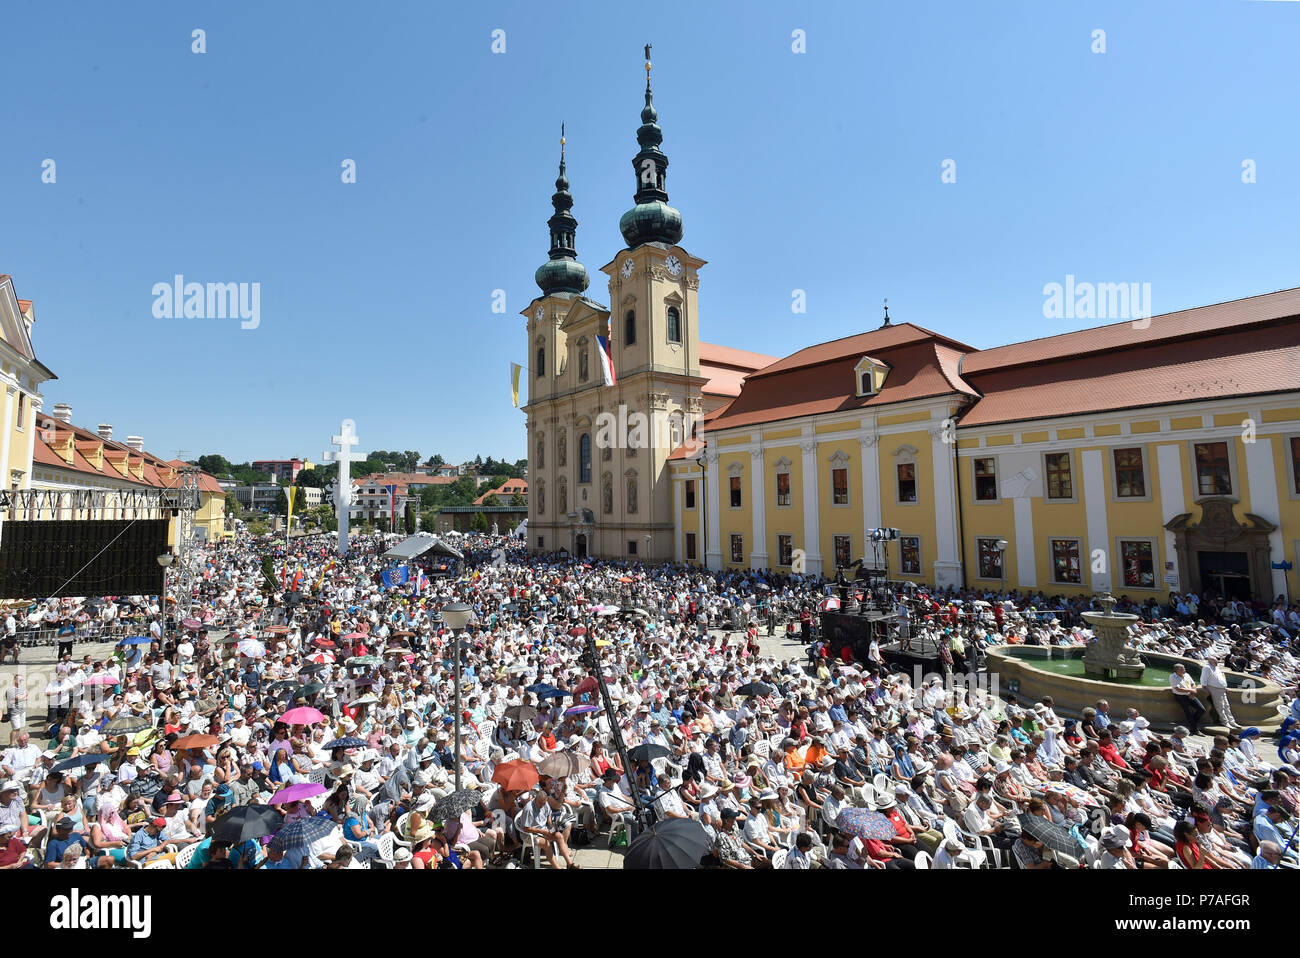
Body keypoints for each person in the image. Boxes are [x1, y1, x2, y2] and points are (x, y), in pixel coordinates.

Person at [1199, 656, 1239, 731]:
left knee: (1226, 706)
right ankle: (1225, 722)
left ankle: (1232, 721)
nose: (1217, 662)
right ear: (1210, 661)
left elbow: (1220, 677)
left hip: (1222, 689)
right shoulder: (1207, 668)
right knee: (1220, 706)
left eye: (1217, 661)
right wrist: (1205, 689)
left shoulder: (1217, 668)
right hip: (1214, 689)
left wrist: (1225, 687)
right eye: (1215, 661)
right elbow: (1203, 679)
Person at [1168, 663, 1207, 735]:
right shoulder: (1172, 677)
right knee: (1188, 713)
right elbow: (1178, 689)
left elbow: (1193, 684)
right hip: (1181, 696)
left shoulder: (1187, 675)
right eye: (1182, 669)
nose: (1184, 670)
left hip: (1190, 695)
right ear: (1177, 670)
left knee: (1202, 709)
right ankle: (1194, 730)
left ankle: (1192, 723)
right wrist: (1191, 691)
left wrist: (1193, 691)